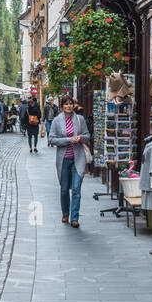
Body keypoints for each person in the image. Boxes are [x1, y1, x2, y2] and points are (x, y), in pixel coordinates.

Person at [47, 96, 91, 227]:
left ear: (73, 105)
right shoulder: (56, 121)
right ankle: (65, 213)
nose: (68, 106)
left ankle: (75, 218)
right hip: (64, 159)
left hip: (78, 158)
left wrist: (80, 138)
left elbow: (87, 136)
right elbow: (51, 139)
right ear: (61, 106)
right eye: (66, 104)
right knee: (64, 189)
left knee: (76, 189)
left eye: (70, 104)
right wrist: (68, 140)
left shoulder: (80, 119)